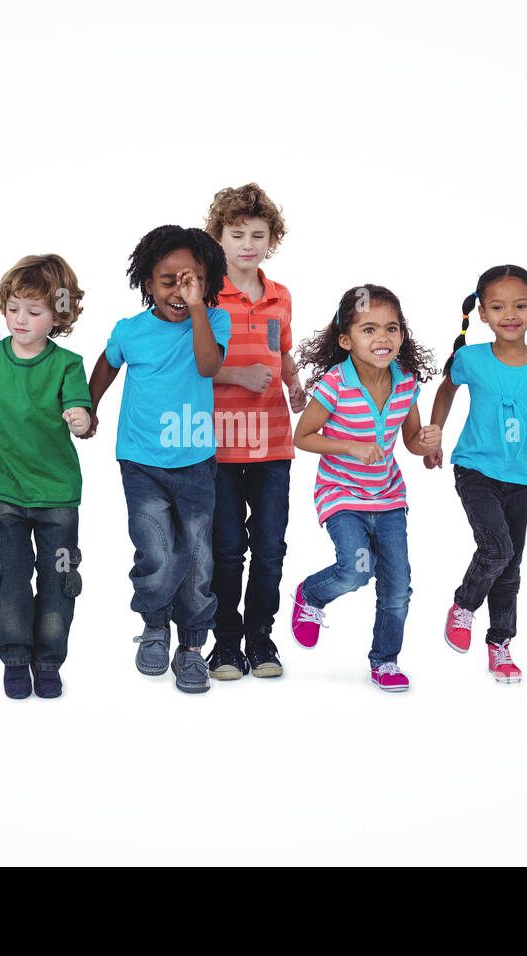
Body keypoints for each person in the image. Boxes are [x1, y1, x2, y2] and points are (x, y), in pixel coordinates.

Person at [86, 226, 231, 694]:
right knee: (157, 549)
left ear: (207, 284)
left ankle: (191, 646)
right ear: (147, 283)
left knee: (198, 556)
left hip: (195, 460)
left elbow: (208, 366)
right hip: (141, 459)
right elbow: (107, 363)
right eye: (167, 280)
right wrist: (90, 409)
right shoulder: (130, 330)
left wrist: (196, 309)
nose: (179, 289)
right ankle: (153, 625)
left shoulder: (214, 321)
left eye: (192, 280)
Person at [426, 265, 527, 685]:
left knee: (511, 565)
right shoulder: (470, 359)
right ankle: (463, 607)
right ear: (481, 313)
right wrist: (436, 432)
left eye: (519, 305)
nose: (509, 314)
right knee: (496, 549)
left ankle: (500, 645)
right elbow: (446, 389)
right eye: (497, 306)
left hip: (521, 479)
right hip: (474, 468)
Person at [0, 255, 91, 700]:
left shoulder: (67, 363)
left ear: (58, 314)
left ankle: (47, 661)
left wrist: (79, 419)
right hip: (6, 492)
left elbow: (79, 412)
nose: (21, 319)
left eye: (35, 310)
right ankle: (14, 657)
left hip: (58, 496)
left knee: (59, 578)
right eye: (13, 308)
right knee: (8, 577)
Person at [290, 285, 440, 691]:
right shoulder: (336, 383)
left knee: (398, 584)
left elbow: (410, 441)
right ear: (346, 339)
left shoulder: (405, 383)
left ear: (402, 336)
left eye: (391, 329)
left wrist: (427, 446)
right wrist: (350, 447)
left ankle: (385, 660)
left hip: (389, 496)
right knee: (358, 570)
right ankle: (311, 596)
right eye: (369, 329)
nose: (382, 339)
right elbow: (302, 436)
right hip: (341, 494)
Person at [203, 183, 306, 680]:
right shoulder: (205, 296)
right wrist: (237, 376)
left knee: (269, 546)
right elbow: (193, 364)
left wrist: (298, 385)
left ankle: (261, 640)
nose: (247, 243)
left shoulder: (280, 296)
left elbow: (282, 353)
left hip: (274, 440)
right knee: (225, 548)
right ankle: (224, 644)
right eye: (236, 233)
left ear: (272, 240)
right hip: (217, 442)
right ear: (218, 237)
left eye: (258, 235)